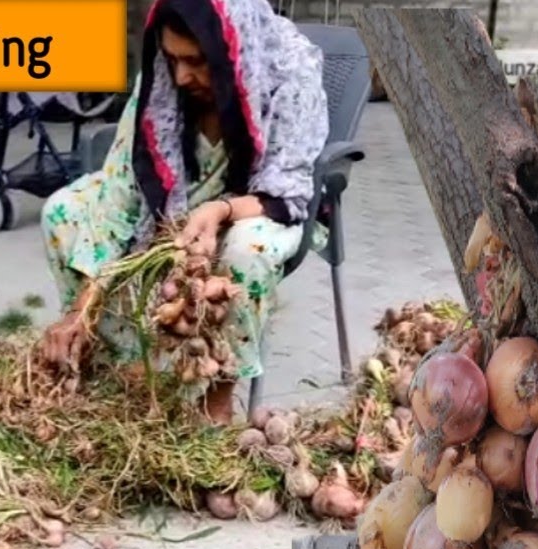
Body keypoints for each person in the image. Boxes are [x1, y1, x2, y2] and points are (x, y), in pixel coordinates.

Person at [38, 0, 329, 425]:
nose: (180, 76)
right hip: (176, 203)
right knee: (62, 210)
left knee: (246, 252)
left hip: (258, 206)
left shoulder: (290, 68)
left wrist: (220, 209)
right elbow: (123, 182)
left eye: (195, 61)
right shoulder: (164, 76)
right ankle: (103, 353)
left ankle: (217, 395)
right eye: (172, 59)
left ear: (230, 47)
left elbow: (287, 187)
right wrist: (82, 307)